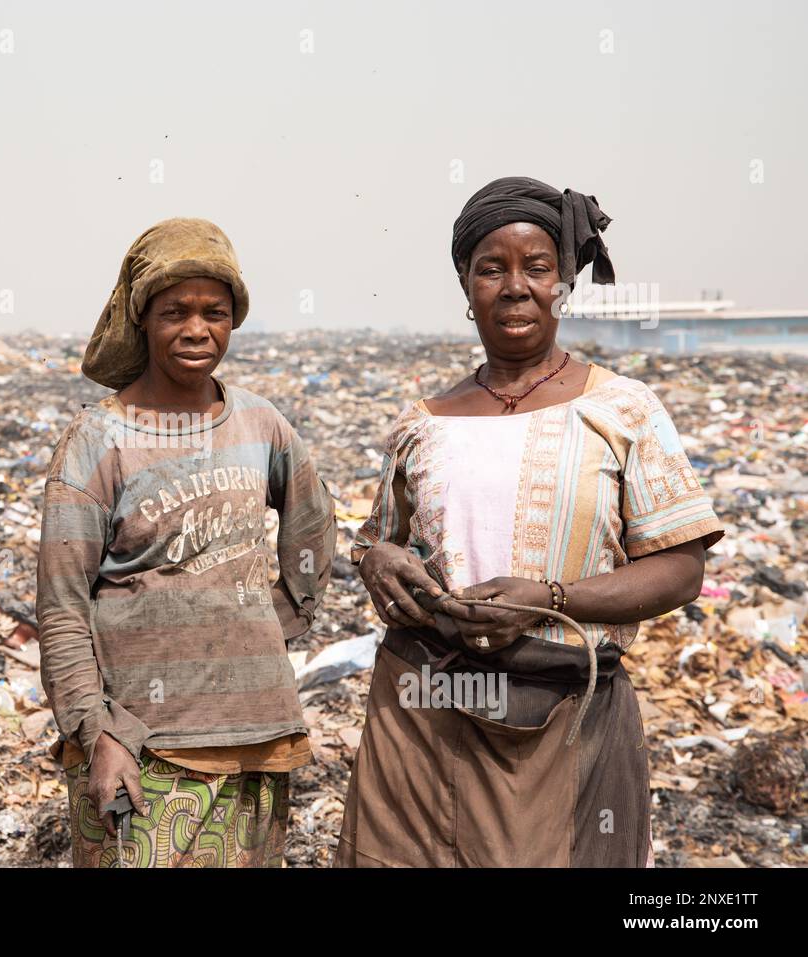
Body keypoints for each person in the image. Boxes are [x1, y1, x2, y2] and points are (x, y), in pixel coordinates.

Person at [334, 177, 724, 867]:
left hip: (566, 715)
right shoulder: (422, 423)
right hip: (423, 710)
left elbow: (683, 567)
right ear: (466, 285)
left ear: (563, 282)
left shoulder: (624, 410)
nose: (515, 286)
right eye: (492, 268)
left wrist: (549, 599)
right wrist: (375, 561)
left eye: (536, 267)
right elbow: (378, 540)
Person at [36, 218, 337, 867]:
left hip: (258, 736)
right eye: (176, 311)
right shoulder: (97, 441)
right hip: (139, 749)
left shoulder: (263, 425)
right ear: (143, 317)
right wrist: (96, 733)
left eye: (215, 311)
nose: (197, 329)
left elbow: (312, 525)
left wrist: (283, 614)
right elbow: (61, 606)